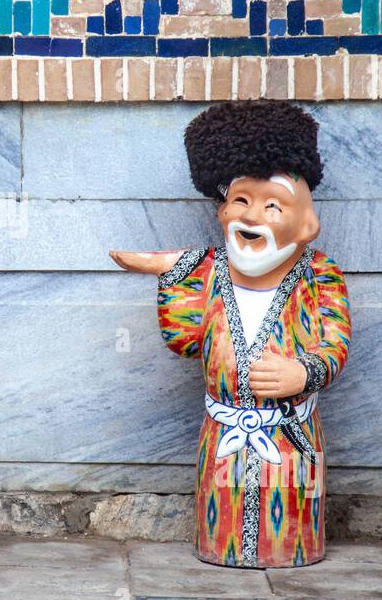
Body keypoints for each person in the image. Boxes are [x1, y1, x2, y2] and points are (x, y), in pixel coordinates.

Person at [112, 101, 351, 568]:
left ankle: (288, 550)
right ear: (223, 211)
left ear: (306, 225)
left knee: (288, 527)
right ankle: (221, 548)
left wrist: (304, 372)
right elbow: (184, 342)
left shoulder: (319, 274)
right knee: (222, 520)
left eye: (272, 205)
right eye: (241, 201)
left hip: (290, 437)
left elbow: (336, 340)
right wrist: (174, 274)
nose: (252, 216)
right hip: (223, 436)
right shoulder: (208, 271)